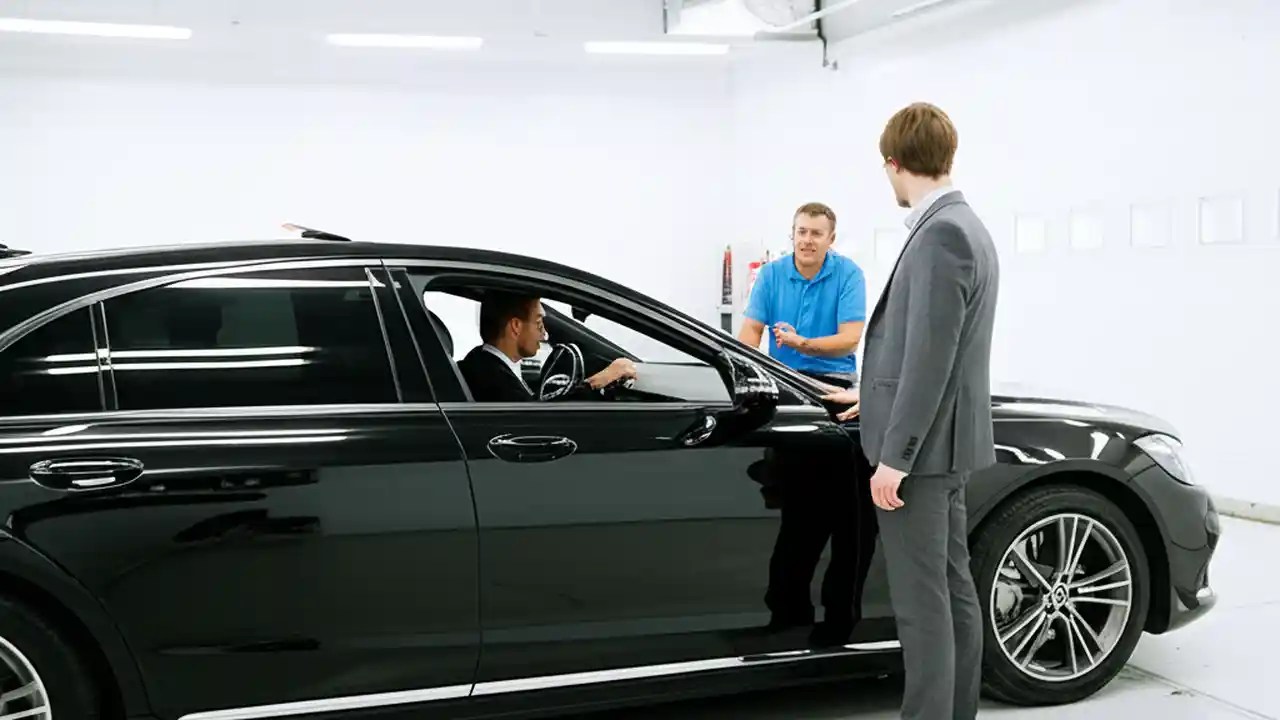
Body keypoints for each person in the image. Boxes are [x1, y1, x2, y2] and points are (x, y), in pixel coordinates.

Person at [822, 103, 999, 720]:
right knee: (953, 592)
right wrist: (870, 393)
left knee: (924, 605)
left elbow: (932, 357)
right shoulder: (966, 224)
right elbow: (926, 351)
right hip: (947, 449)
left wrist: (894, 457)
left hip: (920, 459)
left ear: (894, 165)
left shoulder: (940, 234)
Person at [738, 202, 866, 389]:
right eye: (802, 232)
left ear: (831, 239)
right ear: (793, 234)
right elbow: (752, 330)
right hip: (783, 376)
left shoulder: (849, 274)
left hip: (834, 379)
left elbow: (850, 341)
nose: (807, 240)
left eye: (816, 234)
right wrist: (745, 373)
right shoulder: (770, 274)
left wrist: (803, 344)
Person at [458, 291, 636, 402]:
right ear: (516, 326)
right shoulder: (493, 379)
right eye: (538, 322)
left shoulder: (480, 362)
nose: (544, 334)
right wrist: (599, 381)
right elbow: (537, 423)